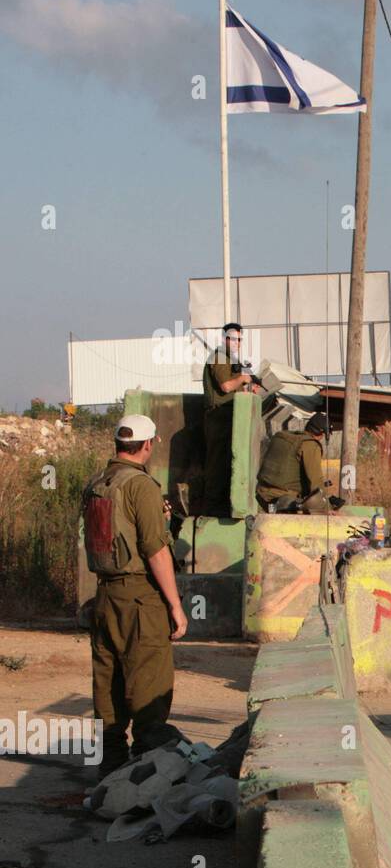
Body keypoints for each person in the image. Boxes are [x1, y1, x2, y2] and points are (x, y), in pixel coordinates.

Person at [82, 415, 187, 779]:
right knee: (149, 690)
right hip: (139, 598)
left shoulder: (98, 482)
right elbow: (155, 552)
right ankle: (144, 778)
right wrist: (175, 606)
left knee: (107, 685)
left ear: (117, 443)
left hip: (105, 595)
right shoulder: (141, 485)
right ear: (148, 444)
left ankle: (108, 770)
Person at [202, 322, 257, 516]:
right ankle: (211, 510)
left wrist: (247, 384)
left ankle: (220, 506)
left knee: (226, 464)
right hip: (218, 417)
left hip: (227, 416)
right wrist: (242, 379)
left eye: (239, 340)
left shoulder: (229, 358)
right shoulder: (218, 358)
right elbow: (225, 386)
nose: (237, 343)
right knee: (216, 465)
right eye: (233, 339)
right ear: (224, 339)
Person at [257, 411, 329, 512]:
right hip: (284, 500)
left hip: (262, 495)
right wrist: (327, 508)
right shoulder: (310, 445)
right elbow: (316, 482)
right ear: (322, 433)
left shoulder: (281, 435)